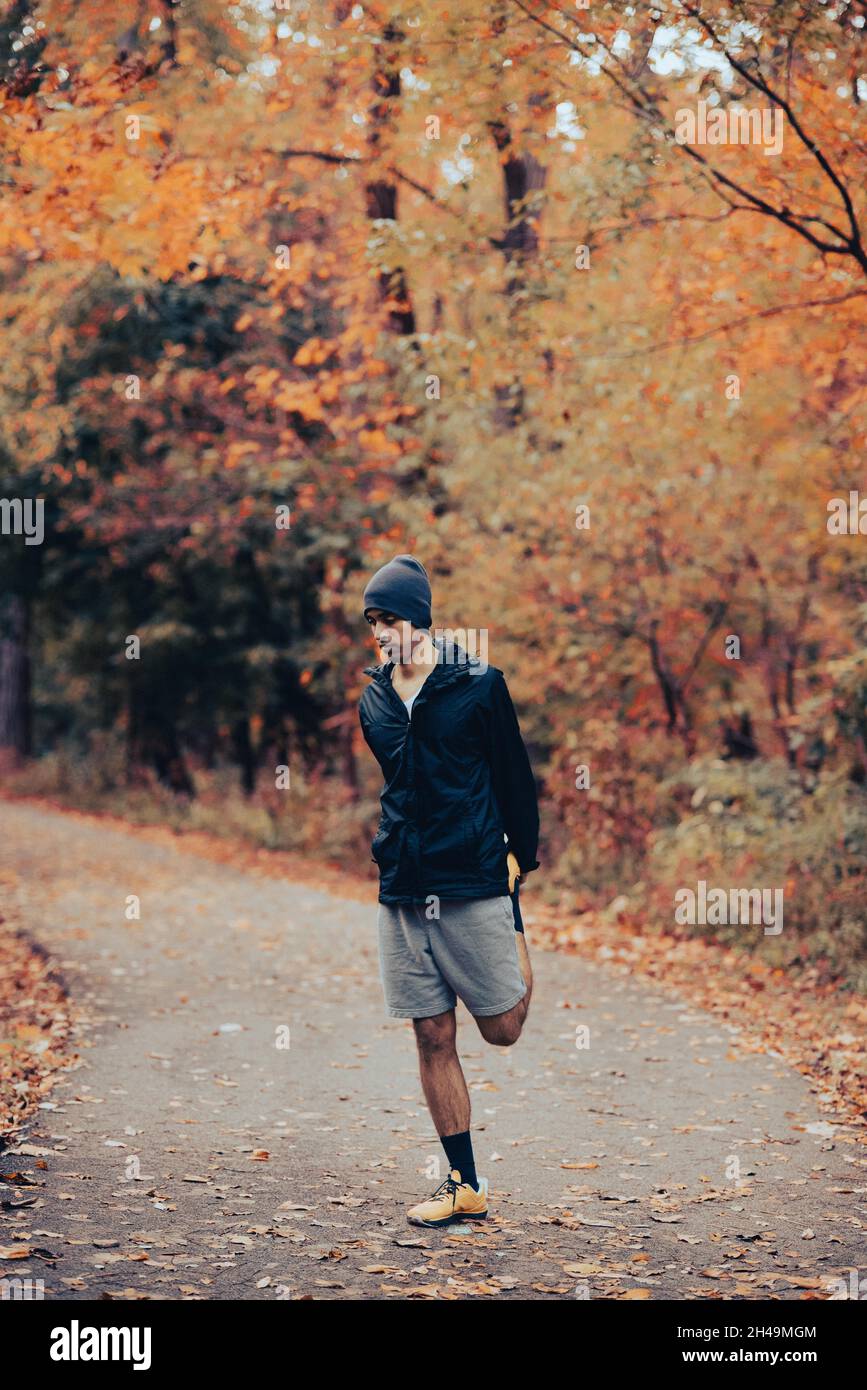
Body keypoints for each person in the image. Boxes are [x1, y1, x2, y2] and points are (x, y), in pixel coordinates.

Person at [357, 553, 540, 1228]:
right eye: (374, 621)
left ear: (422, 619)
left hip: (472, 877)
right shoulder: (373, 700)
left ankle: (519, 941)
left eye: (393, 618)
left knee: (502, 1030)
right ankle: (462, 1182)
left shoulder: (478, 685)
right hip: (403, 885)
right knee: (431, 1033)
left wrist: (519, 860)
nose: (383, 632)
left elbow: (513, 779)